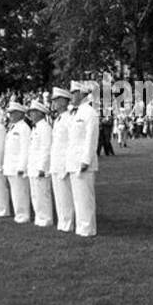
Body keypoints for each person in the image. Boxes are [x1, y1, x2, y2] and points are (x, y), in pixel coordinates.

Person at [67, 80, 100, 237]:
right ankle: (81, 227)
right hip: (74, 161)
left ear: (82, 94)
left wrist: (86, 160)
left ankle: (87, 228)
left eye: (74, 93)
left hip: (83, 162)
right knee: (78, 198)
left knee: (85, 197)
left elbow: (90, 138)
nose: (71, 96)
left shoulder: (89, 113)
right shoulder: (76, 112)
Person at [48, 86, 74, 232]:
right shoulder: (58, 119)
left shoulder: (69, 119)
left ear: (64, 101)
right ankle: (63, 222)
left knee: (65, 196)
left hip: (64, 162)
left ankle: (68, 223)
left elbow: (70, 142)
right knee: (59, 196)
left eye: (57, 100)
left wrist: (66, 163)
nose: (54, 103)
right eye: (54, 100)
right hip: (56, 161)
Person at [4, 101, 33, 224]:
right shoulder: (13, 127)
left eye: (13, 113)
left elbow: (25, 149)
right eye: (10, 113)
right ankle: (18, 214)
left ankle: (23, 215)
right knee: (15, 193)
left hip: (18, 166)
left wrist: (22, 166)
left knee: (21, 192)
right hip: (11, 165)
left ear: (21, 114)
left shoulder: (24, 128)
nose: (10, 115)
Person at [26, 99, 53, 227]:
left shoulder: (45, 128)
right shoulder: (36, 128)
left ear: (40, 113)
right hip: (33, 166)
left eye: (33, 112)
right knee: (36, 195)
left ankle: (46, 218)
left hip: (40, 167)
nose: (30, 115)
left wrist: (42, 167)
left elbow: (46, 148)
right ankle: (39, 217)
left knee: (43, 194)